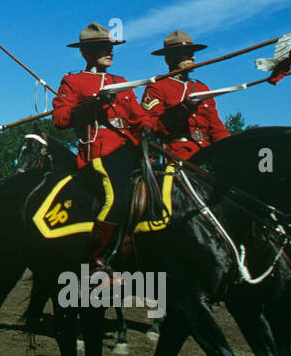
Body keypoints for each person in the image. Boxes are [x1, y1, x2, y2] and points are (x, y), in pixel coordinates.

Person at [51, 22, 148, 271]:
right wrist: (94, 104)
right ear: (86, 53)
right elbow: (60, 119)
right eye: (103, 48)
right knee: (117, 199)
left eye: (110, 47)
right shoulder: (73, 81)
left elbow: (138, 116)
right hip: (100, 152)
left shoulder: (123, 82)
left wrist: (147, 127)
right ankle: (97, 258)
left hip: (131, 151)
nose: (110, 52)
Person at [140, 31, 230, 160]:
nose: (193, 58)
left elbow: (216, 127)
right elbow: (152, 125)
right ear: (171, 59)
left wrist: (228, 146)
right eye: (187, 55)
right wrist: (183, 107)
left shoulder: (202, 88)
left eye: (192, 55)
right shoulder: (157, 86)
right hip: (179, 154)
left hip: (208, 152)